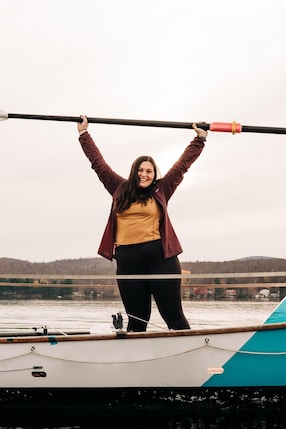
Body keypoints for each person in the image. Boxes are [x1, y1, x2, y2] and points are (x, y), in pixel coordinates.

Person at [77, 115, 207, 332]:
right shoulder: (118, 187)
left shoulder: (162, 189)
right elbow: (97, 163)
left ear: (154, 174)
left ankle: (192, 356)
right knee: (136, 321)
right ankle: (136, 362)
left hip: (160, 258)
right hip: (128, 261)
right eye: (140, 169)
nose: (144, 174)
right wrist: (84, 134)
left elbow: (182, 165)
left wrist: (199, 139)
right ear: (133, 171)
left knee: (173, 316)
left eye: (148, 171)